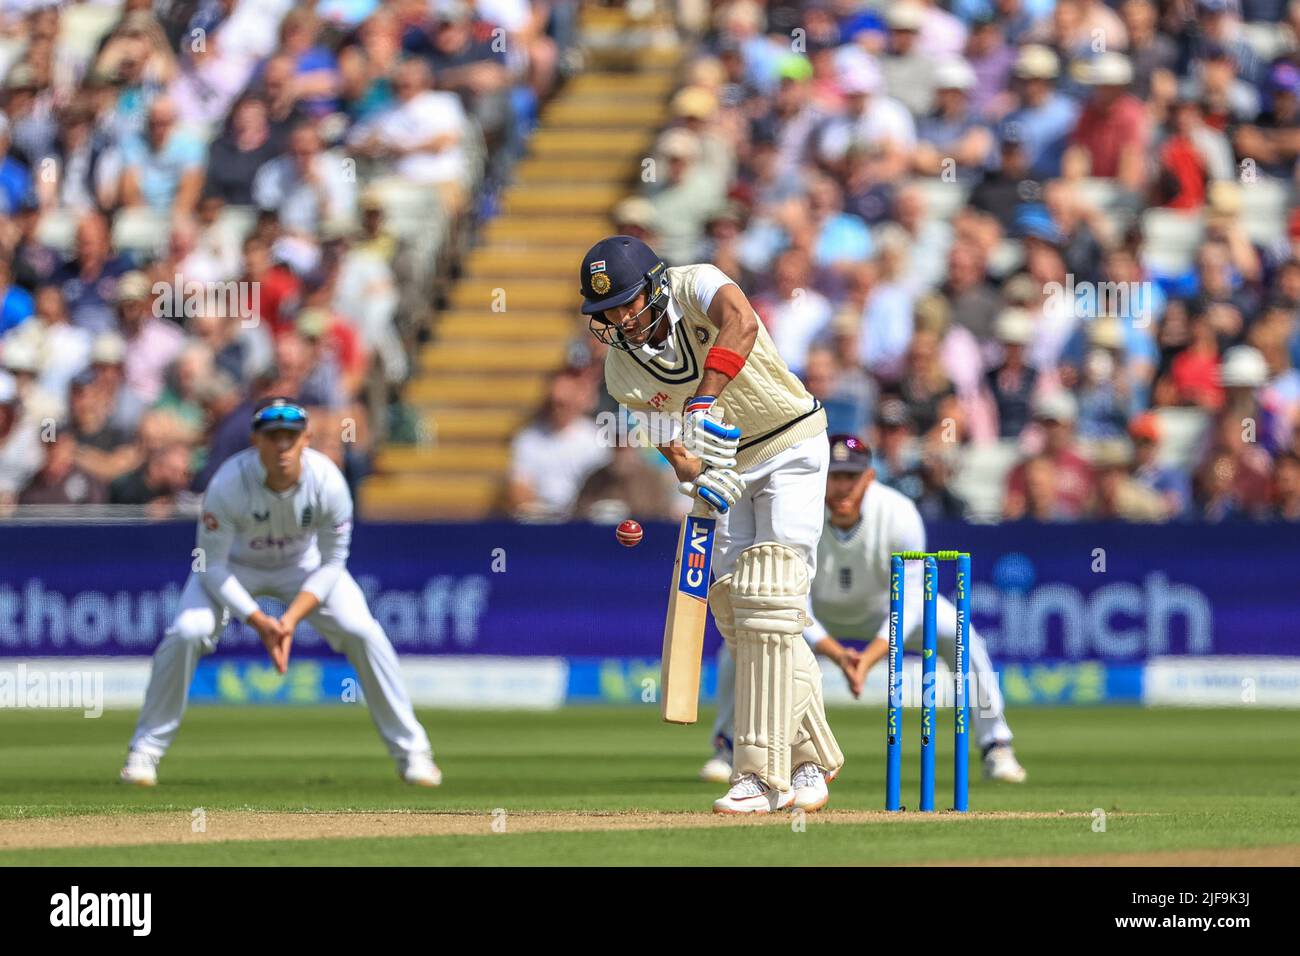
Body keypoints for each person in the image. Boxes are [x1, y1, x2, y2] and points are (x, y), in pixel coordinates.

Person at [580, 235, 841, 814]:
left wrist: (702, 402)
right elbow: (679, 454)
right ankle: (808, 760)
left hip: (792, 442)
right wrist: (698, 477)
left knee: (772, 593)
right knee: (740, 610)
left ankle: (757, 776)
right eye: (608, 312)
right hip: (728, 468)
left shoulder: (696, 283)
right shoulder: (623, 374)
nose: (621, 318)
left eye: (627, 301)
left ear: (653, 286)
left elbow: (741, 323)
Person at [119, 398, 439, 787]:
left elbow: (332, 563)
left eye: (291, 436)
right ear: (256, 440)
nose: (282, 446)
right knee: (188, 631)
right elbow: (210, 565)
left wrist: (287, 621)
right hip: (236, 568)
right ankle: (144, 753)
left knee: (362, 631)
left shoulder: (329, 482)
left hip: (303, 567)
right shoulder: (228, 482)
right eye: (273, 436)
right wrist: (258, 620)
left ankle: (413, 754)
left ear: (306, 439)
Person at [703, 434, 1027, 786]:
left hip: (882, 612)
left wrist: (870, 655)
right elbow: (789, 594)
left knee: (960, 634)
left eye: (851, 477)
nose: (842, 488)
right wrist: (837, 654)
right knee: (743, 640)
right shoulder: (796, 510)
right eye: (835, 476)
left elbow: (913, 600)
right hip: (811, 612)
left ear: (868, 478)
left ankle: (996, 744)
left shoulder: (898, 513)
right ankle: (728, 746)